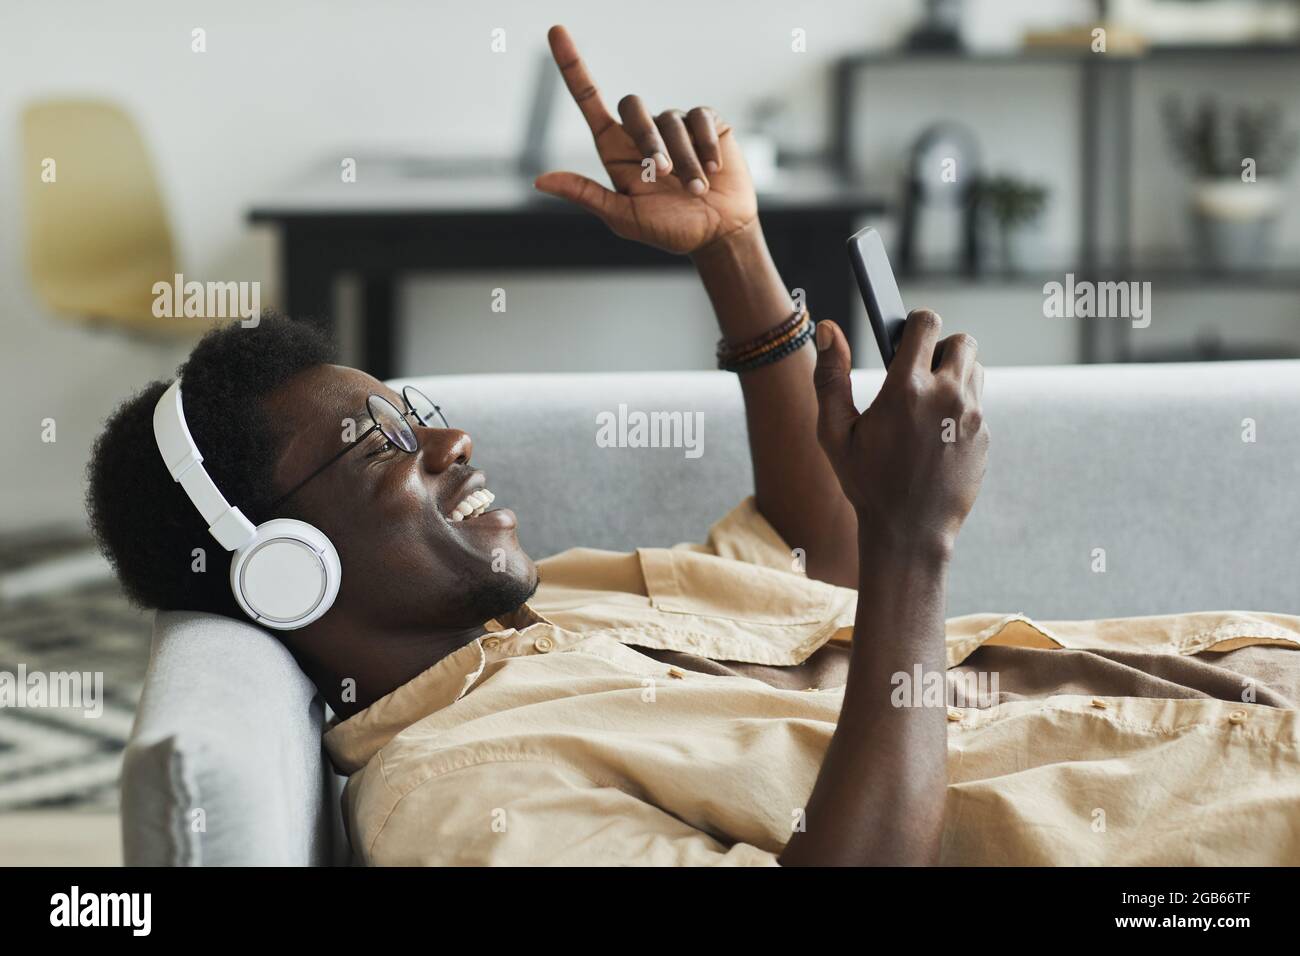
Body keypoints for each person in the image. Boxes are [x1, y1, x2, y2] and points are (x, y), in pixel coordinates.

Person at [88, 26, 1300, 866]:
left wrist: (730, 249)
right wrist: (917, 545)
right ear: (282, 568)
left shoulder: (553, 603)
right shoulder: (461, 792)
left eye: (409, 404)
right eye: (377, 441)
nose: (448, 435)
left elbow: (813, 559)